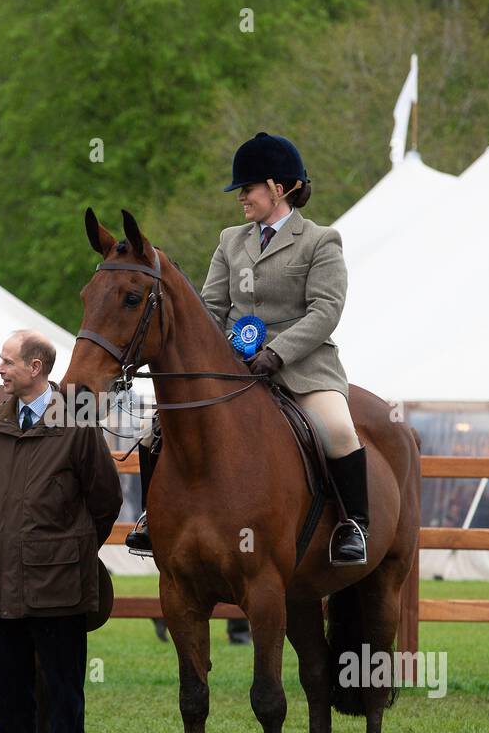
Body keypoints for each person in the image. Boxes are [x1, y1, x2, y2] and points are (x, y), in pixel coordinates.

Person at [125, 132, 369, 566]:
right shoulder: (230, 241)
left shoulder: (320, 240)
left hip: (303, 366)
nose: (241, 197)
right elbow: (211, 310)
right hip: (234, 365)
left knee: (338, 430)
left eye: (248, 188)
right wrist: (210, 359)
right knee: (154, 430)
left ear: (279, 188)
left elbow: (326, 310)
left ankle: (354, 525)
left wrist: (278, 352)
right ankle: (150, 517)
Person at [0, 330, 122, 733]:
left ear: (36, 368)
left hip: (59, 584)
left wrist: (68, 553)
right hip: (2, 580)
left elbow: (105, 500)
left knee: (61, 695)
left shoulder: (77, 425)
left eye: (7, 361)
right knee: (6, 696)